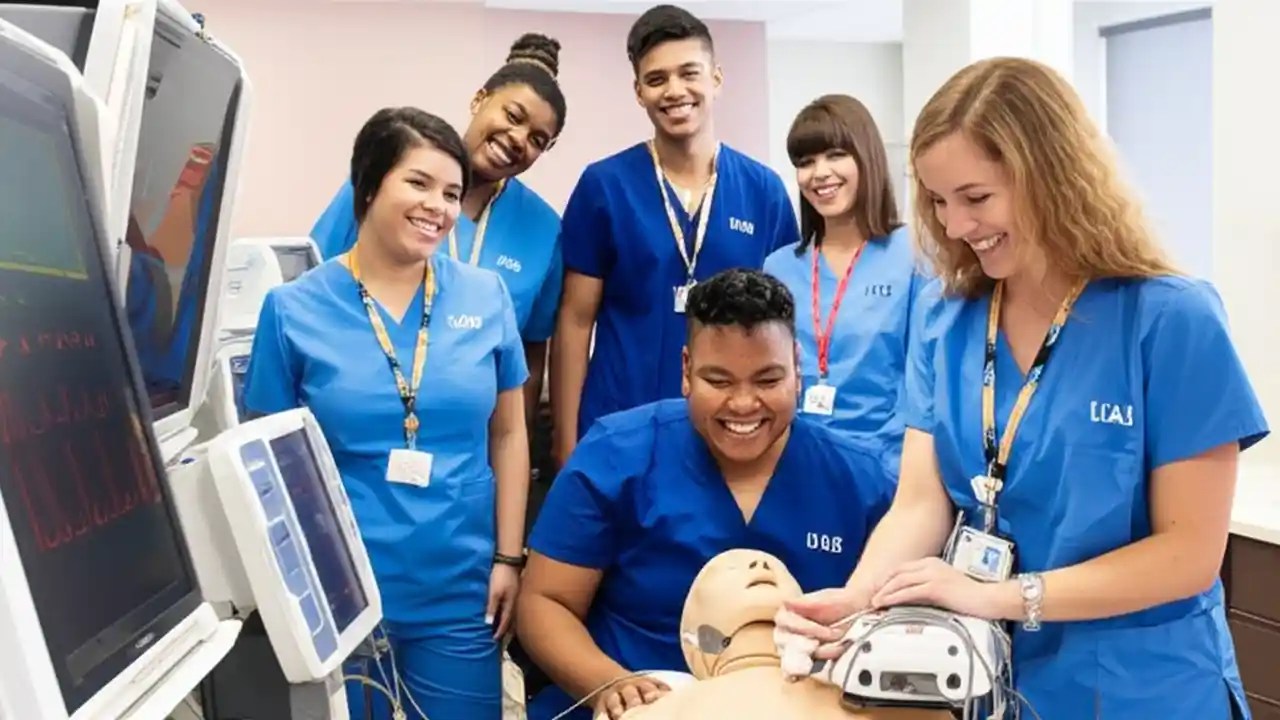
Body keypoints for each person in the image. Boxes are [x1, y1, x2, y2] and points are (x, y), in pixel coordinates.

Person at [773, 57, 1270, 719]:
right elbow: (921, 503)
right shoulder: (947, 322)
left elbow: (1188, 555)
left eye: (975, 198)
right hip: (995, 677)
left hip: (1144, 688)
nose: (954, 227)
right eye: (939, 202)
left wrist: (1002, 597)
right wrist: (862, 596)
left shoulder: (1169, 320)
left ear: (1051, 175)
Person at [242, 107, 530, 720]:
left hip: (460, 586)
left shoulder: (486, 296)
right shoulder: (292, 310)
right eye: (419, 183)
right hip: (339, 592)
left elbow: (508, 432)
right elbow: (266, 463)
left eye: (452, 192)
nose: (439, 206)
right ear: (369, 184)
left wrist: (510, 557)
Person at [518, 269, 895, 720]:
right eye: (718, 381)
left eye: (768, 380)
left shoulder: (861, 479)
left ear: (798, 367)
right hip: (641, 703)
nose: (742, 404)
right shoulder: (616, 456)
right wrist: (608, 684)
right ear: (686, 371)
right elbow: (544, 602)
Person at [550, 4, 801, 468]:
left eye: (689, 73)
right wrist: (568, 447)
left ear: (716, 78)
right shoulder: (604, 186)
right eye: (657, 79)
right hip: (619, 426)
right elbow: (574, 322)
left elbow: (785, 325)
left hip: (731, 431)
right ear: (639, 91)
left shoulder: (763, 191)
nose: (675, 91)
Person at [311, 33, 567, 426]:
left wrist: (520, 447)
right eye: (513, 116)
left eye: (537, 140)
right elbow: (310, 286)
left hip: (471, 445)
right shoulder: (385, 184)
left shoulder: (544, 229)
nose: (518, 140)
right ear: (479, 99)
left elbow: (532, 349)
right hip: (356, 418)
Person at [763, 94, 922, 478]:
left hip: (888, 468)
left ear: (866, 157)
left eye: (835, 155)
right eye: (805, 162)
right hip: (798, 467)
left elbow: (923, 381)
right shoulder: (779, 266)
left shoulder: (914, 254)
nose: (819, 173)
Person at [618, 549, 951, 720]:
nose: (760, 567)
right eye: (729, 570)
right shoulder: (648, 710)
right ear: (694, 647)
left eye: (777, 570)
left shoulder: (878, 694)